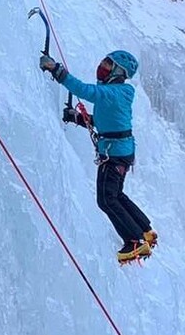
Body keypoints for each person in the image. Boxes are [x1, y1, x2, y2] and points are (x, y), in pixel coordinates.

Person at [39, 48, 157, 265]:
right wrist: (78, 118)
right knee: (116, 194)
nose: (102, 66)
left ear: (119, 71)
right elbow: (108, 122)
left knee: (106, 199)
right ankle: (145, 230)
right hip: (119, 151)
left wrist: (56, 69)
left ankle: (135, 241)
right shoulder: (116, 94)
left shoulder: (117, 92)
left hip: (114, 154)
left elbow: (86, 91)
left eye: (108, 64)